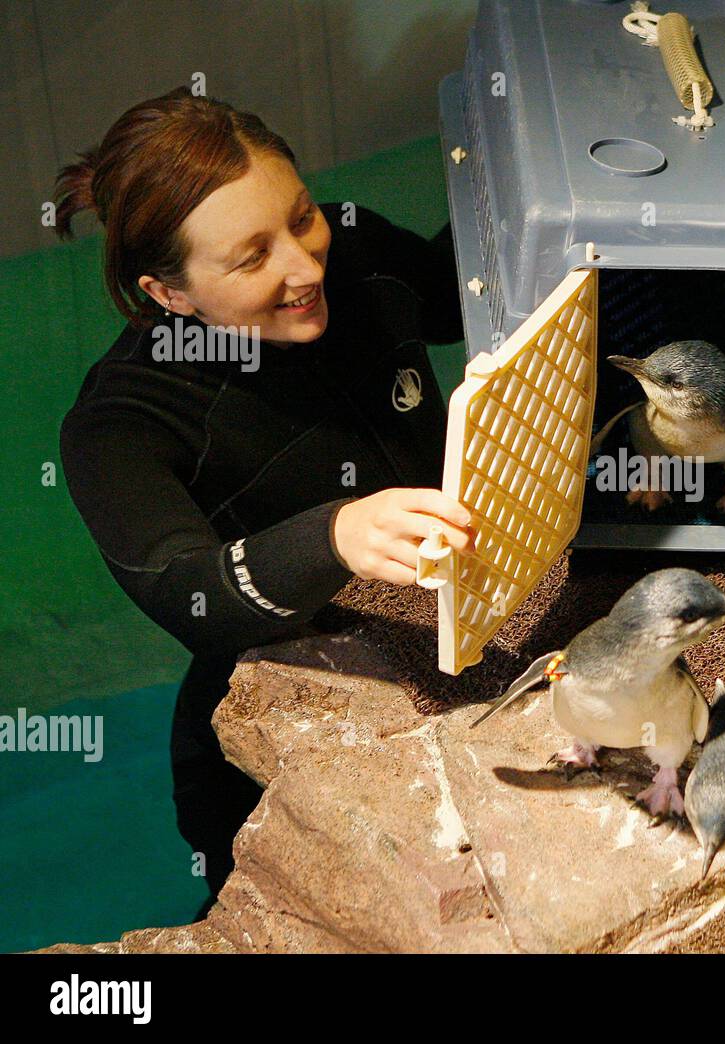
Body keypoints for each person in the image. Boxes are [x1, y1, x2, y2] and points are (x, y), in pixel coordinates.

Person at [55, 87, 476, 916]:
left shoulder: (351, 249)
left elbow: (461, 291)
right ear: (168, 293)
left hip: (440, 647)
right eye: (252, 258)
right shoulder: (121, 423)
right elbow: (188, 591)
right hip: (251, 764)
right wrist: (336, 536)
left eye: (301, 216)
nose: (305, 267)